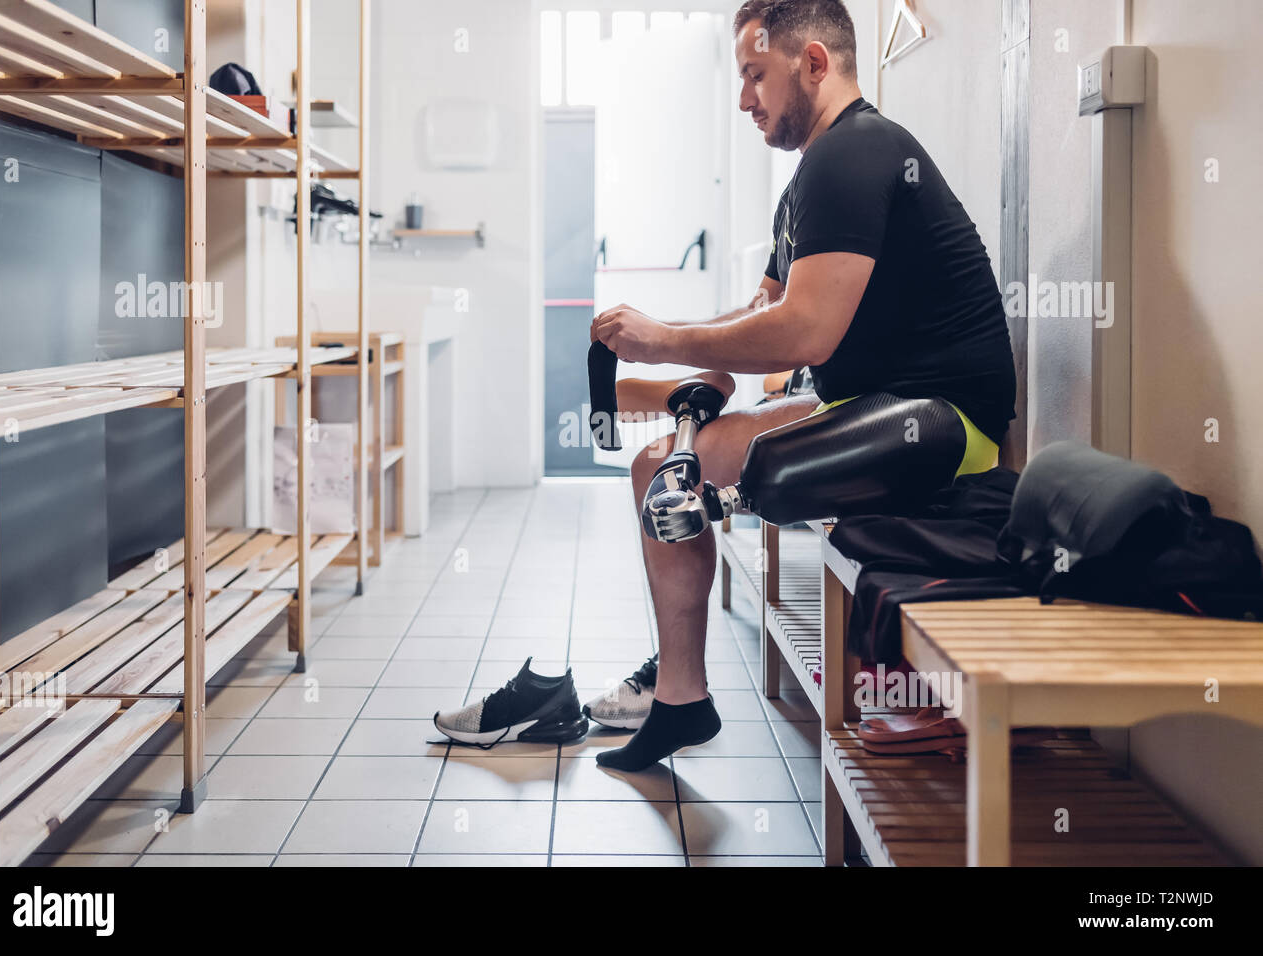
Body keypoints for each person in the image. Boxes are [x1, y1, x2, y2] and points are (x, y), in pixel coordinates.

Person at [435, 0, 1016, 771]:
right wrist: (657, 363)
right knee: (656, 472)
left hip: (942, 425)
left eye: (755, 75)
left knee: (683, 478)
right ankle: (682, 699)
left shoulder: (857, 154)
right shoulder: (811, 179)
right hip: (869, 404)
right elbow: (762, 312)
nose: (744, 98)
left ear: (813, 62)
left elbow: (803, 333)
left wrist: (666, 339)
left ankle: (683, 697)